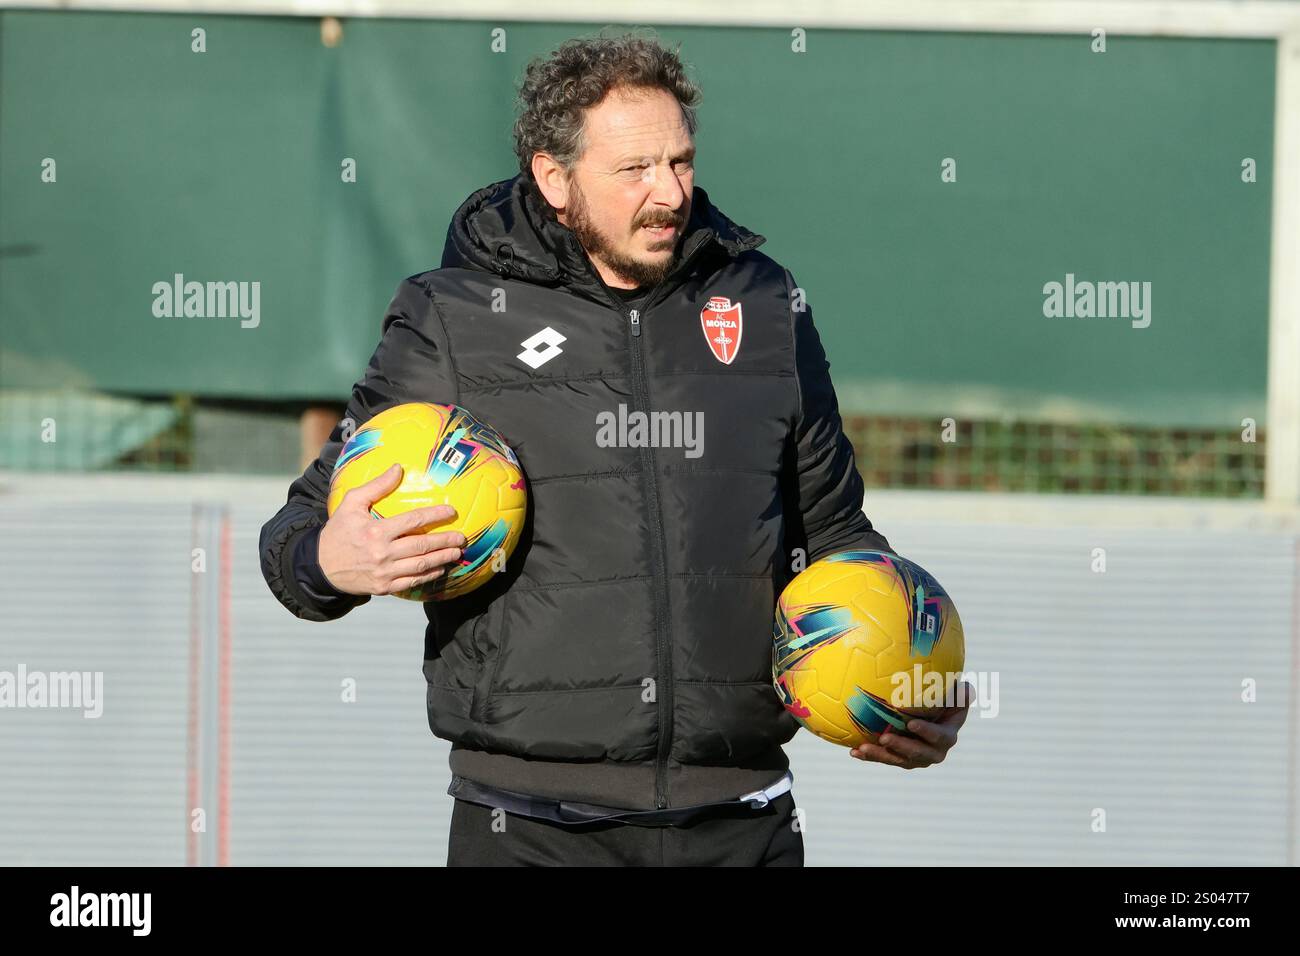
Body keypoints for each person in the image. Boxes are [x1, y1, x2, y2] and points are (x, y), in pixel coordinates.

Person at [258, 31, 969, 867]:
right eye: (634, 170)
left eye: (680, 161)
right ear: (554, 179)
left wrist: (911, 679)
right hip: (527, 828)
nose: (668, 192)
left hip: (741, 821)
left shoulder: (765, 302)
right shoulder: (454, 318)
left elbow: (836, 535)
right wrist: (331, 562)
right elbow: (296, 537)